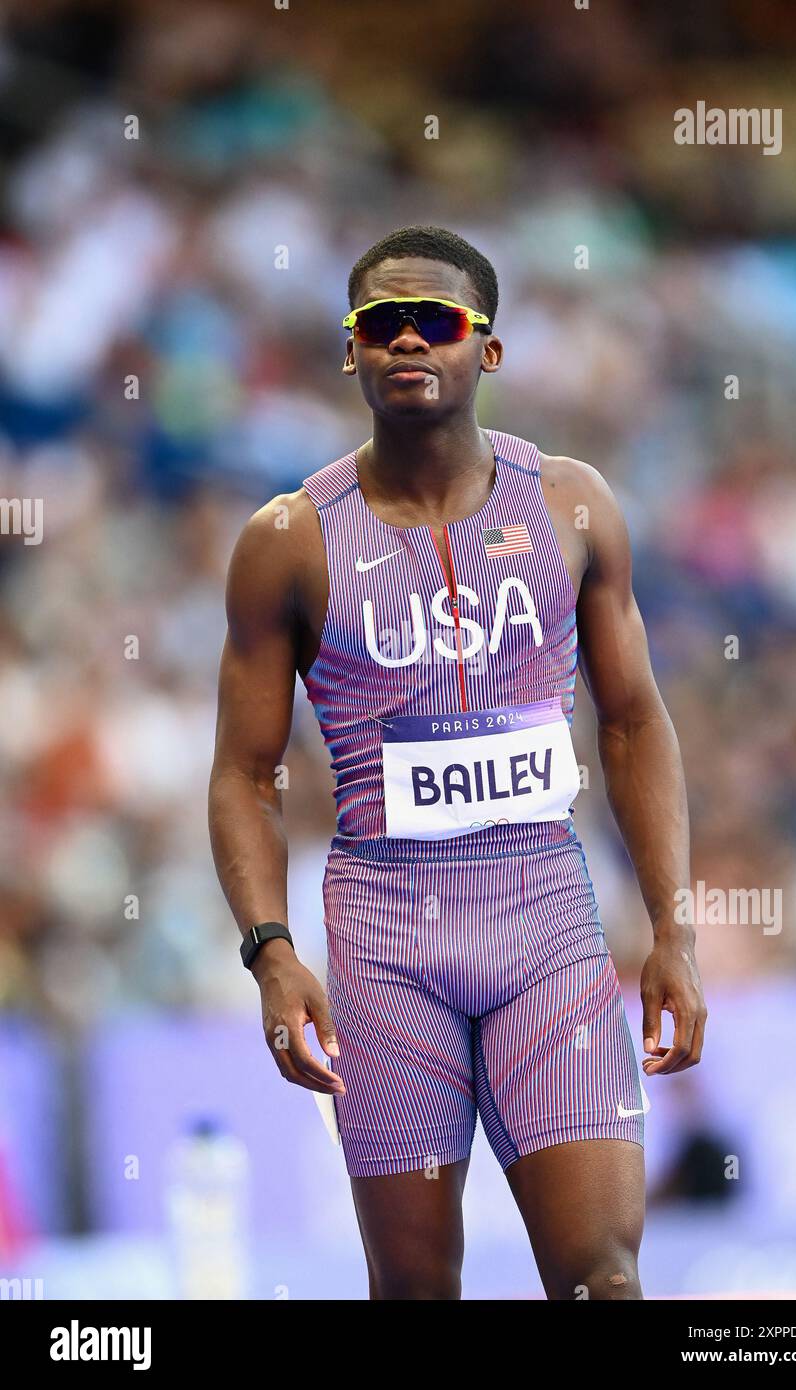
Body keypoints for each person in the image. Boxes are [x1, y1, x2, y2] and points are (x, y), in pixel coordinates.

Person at [208, 225, 707, 1301]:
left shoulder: (570, 505)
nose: (405, 342)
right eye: (377, 325)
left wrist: (672, 926)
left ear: (486, 349)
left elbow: (631, 721)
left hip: (545, 928)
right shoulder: (287, 539)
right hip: (386, 947)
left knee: (601, 1280)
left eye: (434, 321)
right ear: (348, 352)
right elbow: (244, 776)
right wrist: (269, 951)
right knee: (416, 1290)